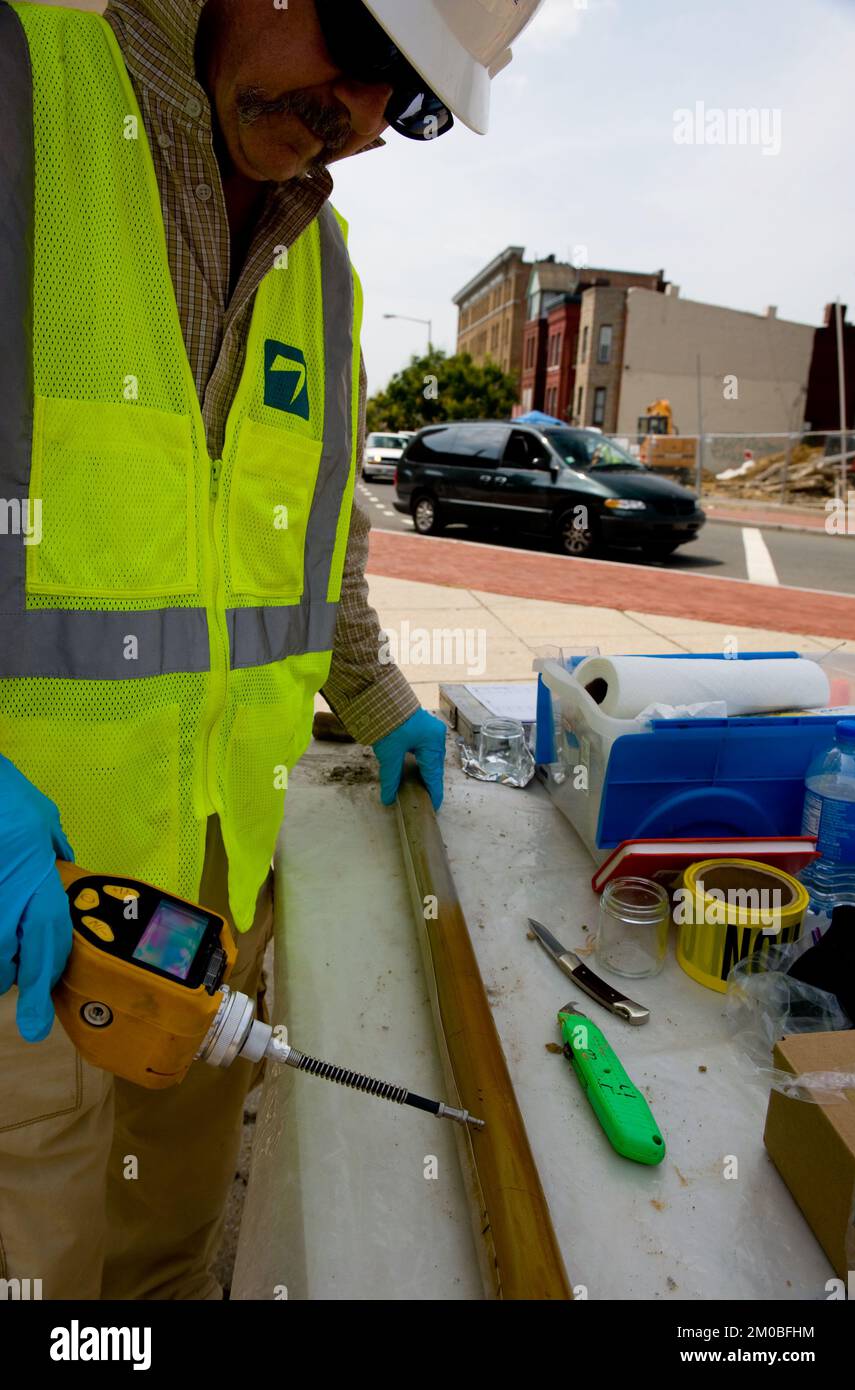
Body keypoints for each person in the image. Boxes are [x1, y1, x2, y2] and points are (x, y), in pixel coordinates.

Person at [0, 0, 544, 1300]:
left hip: (207, 906)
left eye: (404, 99)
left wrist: (383, 700)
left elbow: (312, 551)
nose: (353, 113)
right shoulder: (27, 94)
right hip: (29, 914)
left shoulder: (330, 267)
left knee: (162, 1262)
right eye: (354, 44)